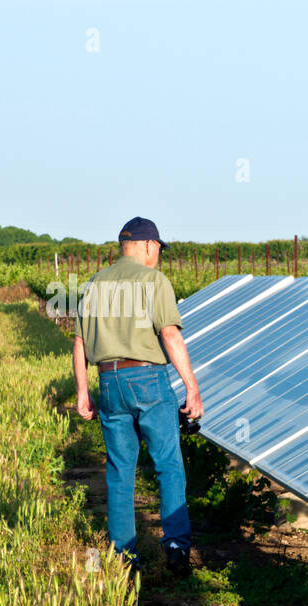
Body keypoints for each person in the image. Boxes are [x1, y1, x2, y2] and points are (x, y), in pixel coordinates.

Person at [72, 216, 203, 577]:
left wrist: (83, 392)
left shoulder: (94, 284)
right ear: (148, 246)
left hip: (108, 381)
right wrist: (191, 387)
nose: (159, 255)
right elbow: (170, 335)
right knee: (168, 465)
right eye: (159, 248)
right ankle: (176, 548)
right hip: (146, 377)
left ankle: (125, 559)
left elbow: (80, 343)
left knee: (119, 470)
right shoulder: (153, 280)